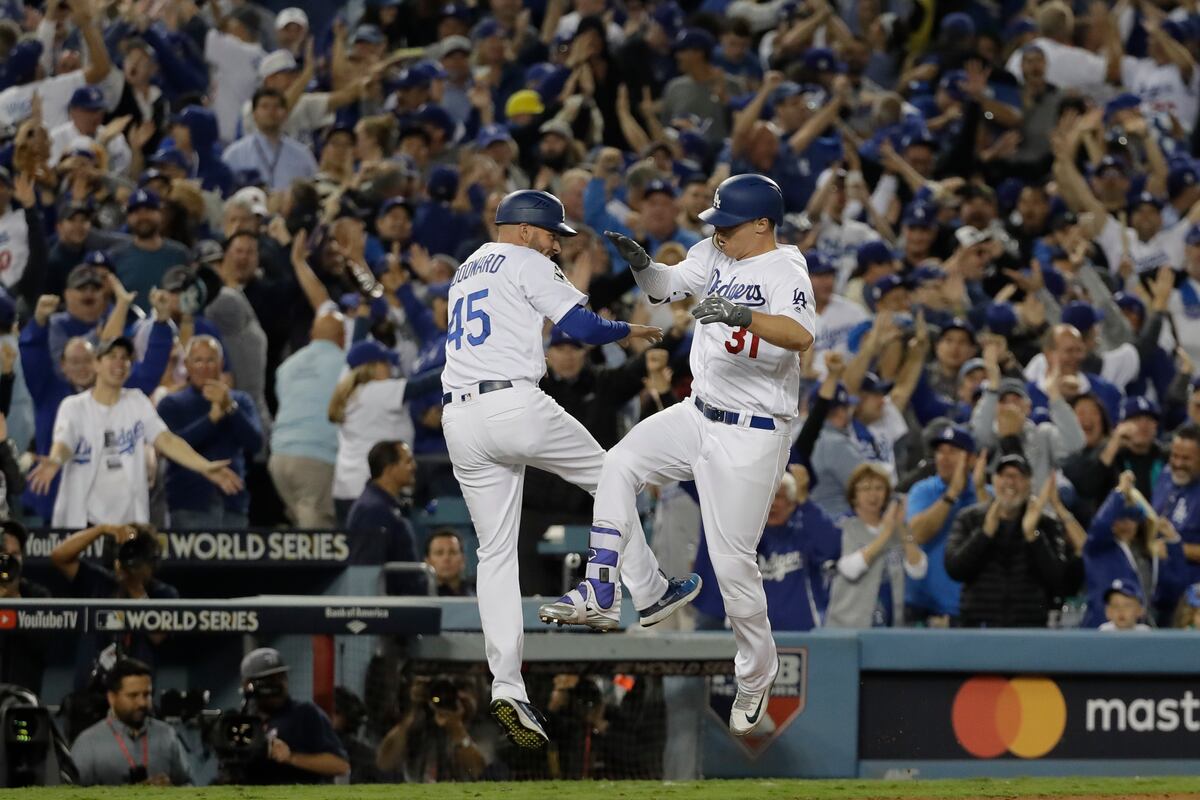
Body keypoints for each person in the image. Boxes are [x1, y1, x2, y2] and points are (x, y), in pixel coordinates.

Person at [542, 173, 817, 738]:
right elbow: (666, 286)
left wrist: (742, 316)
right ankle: (623, 589)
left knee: (733, 565)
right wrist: (644, 267)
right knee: (616, 464)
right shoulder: (711, 251)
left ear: (763, 224)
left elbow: (799, 335)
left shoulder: (785, 267)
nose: (718, 234)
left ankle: (757, 671)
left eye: (729, 225)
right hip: (698, 412)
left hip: (753, 433)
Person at [438, 188, 680, 749]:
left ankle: (505, 684)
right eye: (550, 234)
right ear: (523, 229)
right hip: (512, 404)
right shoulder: (525, 258)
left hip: (461, 420)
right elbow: (586, 330)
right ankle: (644, 590)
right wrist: (632, 333)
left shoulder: (466, 268)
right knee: (614, 474)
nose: (554, 245)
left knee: (495, 554)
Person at [28, 336, 243, 527]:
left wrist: (204, 467)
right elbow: (64, 442)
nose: (120, 363)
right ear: (96, 364)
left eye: (125, 358)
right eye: (112, 356)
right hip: (83, 522)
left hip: (127, 522)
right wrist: (55, 461)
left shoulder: (136, 401)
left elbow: (166, 440)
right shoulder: (74, 406)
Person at [693, 467, 840, 632]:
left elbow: (832, 547)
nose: (773, 503)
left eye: (779, 496)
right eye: (766, 497)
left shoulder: (805, 534)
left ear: (792, 504)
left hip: (802, 635)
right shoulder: (744, 538)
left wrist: (805, 500)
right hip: (752, 638)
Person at [945, 454, 1074, 628]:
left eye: (1018, 476)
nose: (1010, 482)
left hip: (1029, 630)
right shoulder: (970, 518)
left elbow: (1059, 580)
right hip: (978, 627)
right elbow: (954, 569)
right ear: (994, 480)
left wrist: (1032, 535)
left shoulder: (1046, 523)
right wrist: (984, 534)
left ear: (1029, 483)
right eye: (1004, 476)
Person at [156, 336, 263, 528]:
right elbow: (170, 449)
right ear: (187, 365)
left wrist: (230, 408)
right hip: (189, 505)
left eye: (210, 360)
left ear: (221, 364)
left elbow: (255, 444)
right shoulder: (171, 403)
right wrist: (211, 420)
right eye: (198, 360)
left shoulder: (240, 401)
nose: (204, 367)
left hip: (233, 503)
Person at [330, 340, 441, 523]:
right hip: (374, 489)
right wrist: (456, 368)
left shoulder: (349, 392)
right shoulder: (377, 390)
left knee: (357, 548)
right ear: (372, 367)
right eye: (385, 363)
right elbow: (423, 385)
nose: (390, 368)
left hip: (344, 488)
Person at [826, 464, 927, 628]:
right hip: (848, 627)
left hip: (891, 627)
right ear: (854, 495)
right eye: (865, 488)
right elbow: (851, 570)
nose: (873, 495)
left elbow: (918, 570)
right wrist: (885, 534)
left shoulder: (897, 530)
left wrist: (902, 527)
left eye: (879, 488)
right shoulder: (842, 528)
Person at [269, 312, 344, 528]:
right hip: (316, 457)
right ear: (342, 336)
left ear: (312, 334)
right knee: (316, 534)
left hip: (280, 457)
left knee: (301, 525)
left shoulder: (287, 366)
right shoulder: (344, 364)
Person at [1084, 473, 1186, 628]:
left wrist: (1174, 543)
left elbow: (1174, 588)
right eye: (1119, 519)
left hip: (1141, 632)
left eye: (1131, 519)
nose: (1125, 525)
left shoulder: (1149, 554)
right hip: (1103, 633)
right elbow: (1099, 526)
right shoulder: (1099, 548)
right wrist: (1120, 492)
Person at [70, 658, 192, 786]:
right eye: (133, 695)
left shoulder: (167, 735)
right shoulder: (88, 743)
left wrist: (172, 792)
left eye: (147, 694)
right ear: (112, 698)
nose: (142, 703)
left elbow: (188, 785)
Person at [237, 648, 349, 784]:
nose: (278, 685)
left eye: (281, 677)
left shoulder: (305, 713)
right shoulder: (241, 720)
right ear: (249, 685)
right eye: (268, 680)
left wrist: (291, 757)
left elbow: (340, 765)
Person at [345, 440, 421, 594]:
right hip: (391, 611)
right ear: (389, 469)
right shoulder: (371, 510)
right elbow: (366, 573)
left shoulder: (384, 505)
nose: (414, 466)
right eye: (408, 461)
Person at [106, 189, 192, 313]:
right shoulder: (115, 256)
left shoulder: (180, 254)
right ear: (128, 218)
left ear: (160, 214)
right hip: (127, 329)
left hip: (171, 327)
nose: (143, 217)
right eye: (136, 212)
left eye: (149, 210)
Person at [221, 87, 318, 191]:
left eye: (277, 106)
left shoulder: (302, 154)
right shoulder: (235, 153)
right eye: (265, 106)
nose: (271, 112)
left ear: (285, 114)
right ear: (254, 114)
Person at [0, 520, 52, 696]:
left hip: (23, 699)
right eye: (3, 554)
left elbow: (45, 648)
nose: (9, 561)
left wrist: (16, 601)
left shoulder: (37, 596)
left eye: (15, 554)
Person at [1151, 424, 1200, 587]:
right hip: (1157, 582)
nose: (1178, 463)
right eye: (1174, 456)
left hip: (1191, 591)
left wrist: (1174, 548)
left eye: (1186, 458)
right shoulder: (1166, 475)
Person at [425, 529, 474, 597]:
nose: (446, 558)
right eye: (439, 553)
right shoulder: (418, 595)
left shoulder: (478, 590)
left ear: (463, 559)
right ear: (428, 561)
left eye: (453, 552)